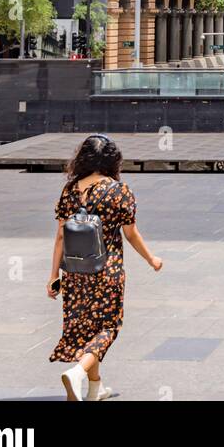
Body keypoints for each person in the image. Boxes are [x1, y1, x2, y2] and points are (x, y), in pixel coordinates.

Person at [48, 133, 162, 402]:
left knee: (86, 328)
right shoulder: (117, 190)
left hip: (74, 272)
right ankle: (78, 372)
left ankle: (95, 388)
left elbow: (60, 237)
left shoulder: (70, 190)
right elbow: (130, 233)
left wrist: (53, 276)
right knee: (108, 327)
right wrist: (151, 259)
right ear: (113, 161)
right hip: (106, 271)